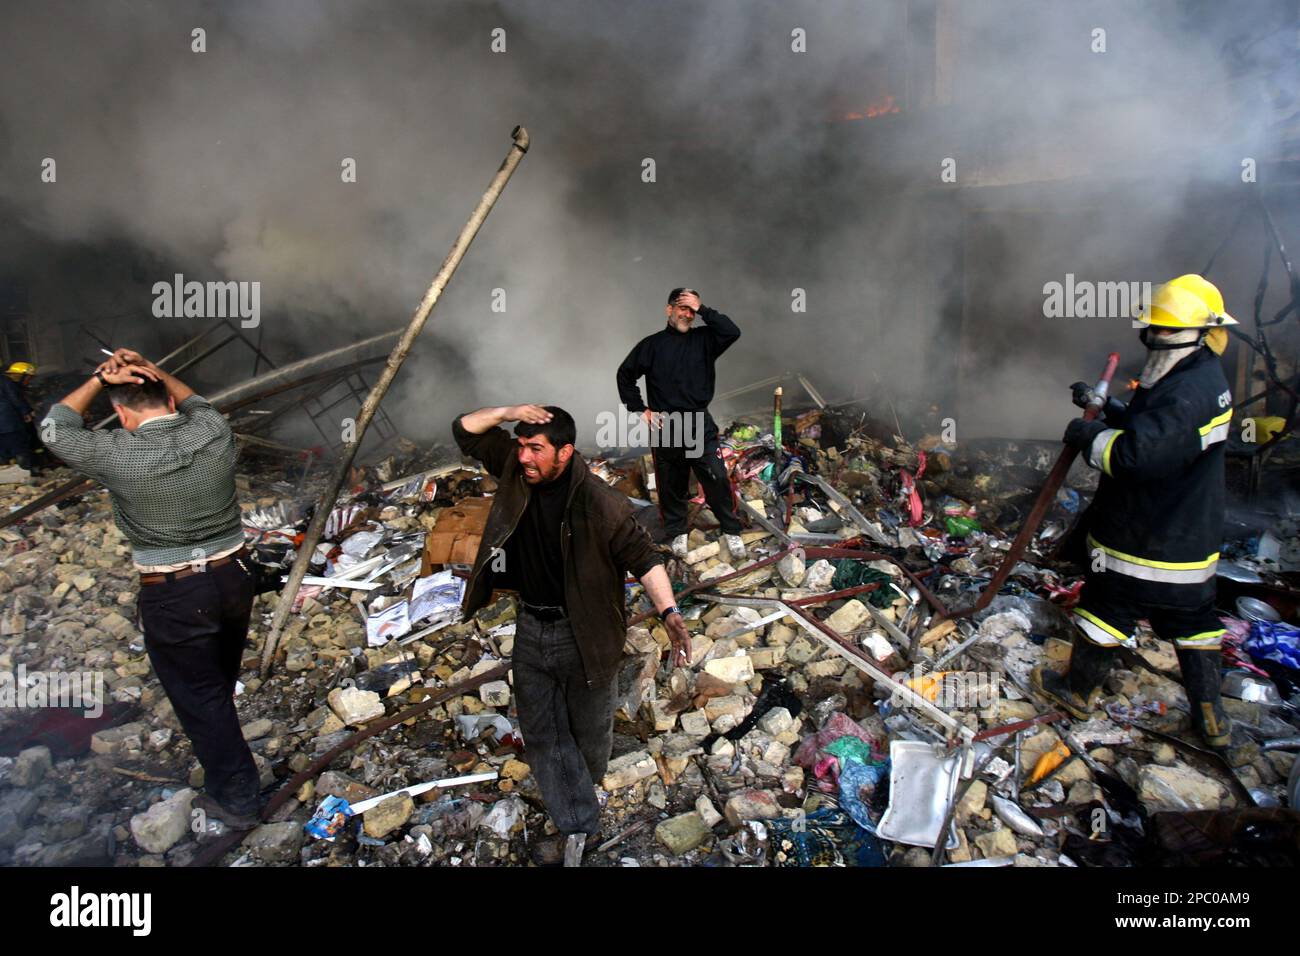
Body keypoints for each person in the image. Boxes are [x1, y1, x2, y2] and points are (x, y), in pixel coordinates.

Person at [453, 403, 690, 865]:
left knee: (591, 730)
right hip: (531, 627)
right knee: (541, 731)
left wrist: (670, 613)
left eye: (536, 449)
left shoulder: (599, 502)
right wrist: (508, 409)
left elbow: (644, 558)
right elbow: (464, 430)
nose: (524, 457)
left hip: (585, 632)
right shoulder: (517, 470)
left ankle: (590, 780)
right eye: (521, 446)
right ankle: (579, 821)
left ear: (565, 452)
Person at [41, 347, 262, 826]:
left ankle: (239, 797)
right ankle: (231, 765)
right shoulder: (212, 431)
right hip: (235, 579)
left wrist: (102, 378)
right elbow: (196, 403)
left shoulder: (116, 453)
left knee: (199, 695)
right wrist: (153, 371)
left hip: (177, 593)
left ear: (121, 414)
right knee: (215, 684)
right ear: (168, 399)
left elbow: (55, 427)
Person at [1037, 274, 1238, 754]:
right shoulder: (1195, 378)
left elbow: (1136, 458)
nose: (1153, 338)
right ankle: (1212, 718)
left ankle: (1077, 693)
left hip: (1145, 539)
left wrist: (1089, 437)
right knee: (1195, 624)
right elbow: (1161, 433)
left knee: (1105, 610)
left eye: (1164, 330)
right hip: (1189, 543)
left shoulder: (1187, 391)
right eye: (1152, 329)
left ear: (1201, 331)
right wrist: (1108, 409)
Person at [617, 288, 746, 560]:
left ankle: (731, 530)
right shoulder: (651, 345)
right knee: (670, 483)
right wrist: (640, 409)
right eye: (681, 307)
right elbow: (625, 375)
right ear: (669, 310)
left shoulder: (705, 339)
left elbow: (732, 331)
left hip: (698, 420)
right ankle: (678, 533)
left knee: (716, 476)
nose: (686, 314)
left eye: (691, 310)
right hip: (666, 424)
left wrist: (703, 309)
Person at [0, 361, 37, 470]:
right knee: (20, 449)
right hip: (9, 423)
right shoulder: (5, 382)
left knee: (2, 453)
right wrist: (26, 412)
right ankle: (26, 473)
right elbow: (15, 399)